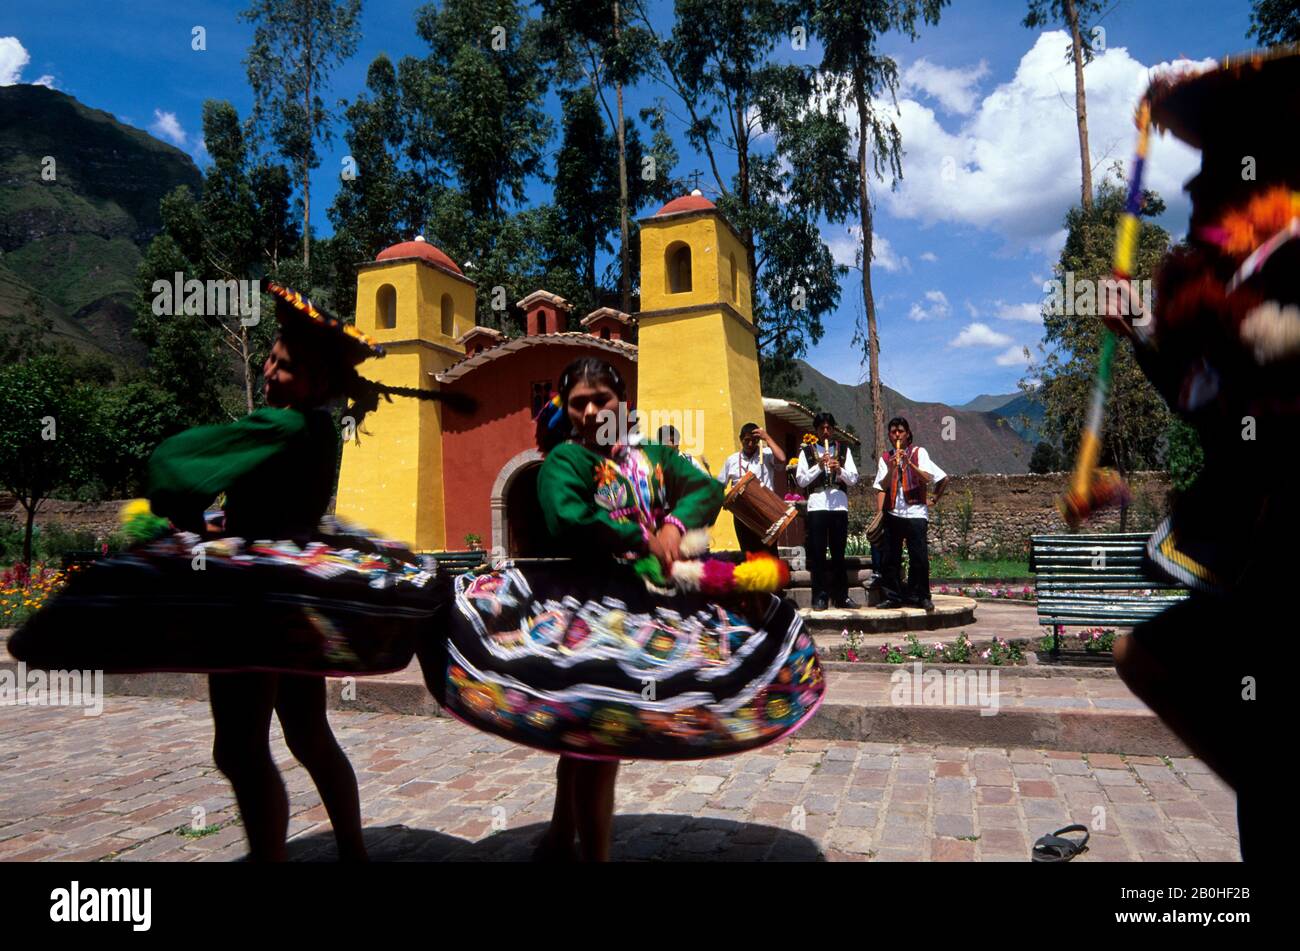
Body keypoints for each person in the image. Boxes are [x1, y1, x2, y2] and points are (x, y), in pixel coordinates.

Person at [432, 357, 824, 861]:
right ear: (566, 409)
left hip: (650, 607)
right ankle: (590, 851)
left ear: (624, 404)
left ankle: (559, 837)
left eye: (603, 400)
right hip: (589, 614)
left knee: (588, 738)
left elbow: (703, 487)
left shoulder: (650, 457)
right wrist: (640, 535)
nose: (593, 410)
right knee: (595, 737)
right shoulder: (564, 462)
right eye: (580, 402)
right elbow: (568, 518)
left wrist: (676, 527)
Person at [1102, 48, 1299, 862]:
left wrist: (1264, 334)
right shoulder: (1235, 272)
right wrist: (1146, 335)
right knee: (1153, 658)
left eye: (1224, 156)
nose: (1190, 185)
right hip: (1269, 573)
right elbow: (1218, 410)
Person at [871, 417, 947, 610]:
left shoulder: (919, 452)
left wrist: (908, 463)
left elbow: (928, 478)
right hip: (893, 512)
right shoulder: (885, 458)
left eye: (900, 431)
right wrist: (891, 468)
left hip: (916, 512)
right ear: (889, 435)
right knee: (890, 558)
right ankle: (892, 597)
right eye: (893, 432)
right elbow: (883, 486)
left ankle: (921, 596)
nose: (896, 434)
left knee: (919, 557)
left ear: (907, 434)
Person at [795, 412, 859, 610]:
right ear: (816, 430)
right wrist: (819, 466)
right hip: (817, 505)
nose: (825, 431)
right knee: (818, 553)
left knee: (839, 553)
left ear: (833, 429)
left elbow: (854, 479)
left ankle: (842, 596)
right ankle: (819, 597)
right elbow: (801, 480)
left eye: (828, 427)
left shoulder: (844, 450)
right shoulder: (806, 452)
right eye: (821, 427)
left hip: (839, 505)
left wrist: (840, 470)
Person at [717, 422, 787, 553]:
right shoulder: (731, 460)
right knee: (748, 553)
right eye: (746, 441)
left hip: (766, 511)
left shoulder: (766, 455)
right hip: (742, 513)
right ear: (740, 439)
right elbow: (720, 485)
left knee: (769, 553)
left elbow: (782, 458)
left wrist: (767, 437)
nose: (750, 444)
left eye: (754, 441)